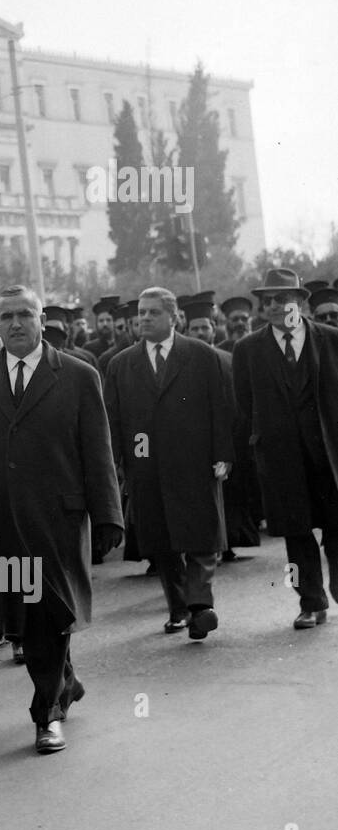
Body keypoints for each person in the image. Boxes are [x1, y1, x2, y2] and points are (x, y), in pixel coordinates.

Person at [0, 286, 123, 754]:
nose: (15, 324)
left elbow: (97, 452)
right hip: (0, 520)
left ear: (42, 319)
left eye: (25, 314)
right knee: (22, 620)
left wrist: (108, 515)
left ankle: (45, 714)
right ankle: (65, 681)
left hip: (59, 520)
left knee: (50, 612)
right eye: (6, 317)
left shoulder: (79, 377)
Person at [104, 288, 233, 639]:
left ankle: (200, 606)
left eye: (153, 313)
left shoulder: (201, 355)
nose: (144, 318)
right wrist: (117, 465)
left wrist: (223, 454)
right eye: (142, 312)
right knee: (162, 542)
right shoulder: (121, 365)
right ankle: (179, 608)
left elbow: (220, 409)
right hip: (146, 466)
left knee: (202, 536)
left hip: (194, 462)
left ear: (173, 317)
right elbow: (114, 421)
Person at [232, 268, 338, 629]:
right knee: (295, 536)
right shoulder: (248, 349)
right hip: (280, 458)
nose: (274, 306)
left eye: (282, 298)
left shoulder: (331, 340)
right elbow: (243, 407)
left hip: (329, 455)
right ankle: (310, 602)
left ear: (301, 302)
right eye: (268, 300)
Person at [186, 302, 262, 559]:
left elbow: (236, 400)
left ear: (213, 330)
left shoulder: (228, 359)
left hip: (226, 436)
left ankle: (227, 543)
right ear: (187, 331)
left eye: (204, 327)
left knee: (227, 494)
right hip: (193, 440)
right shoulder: (181, 362)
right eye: (194, 328)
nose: (199, 333)